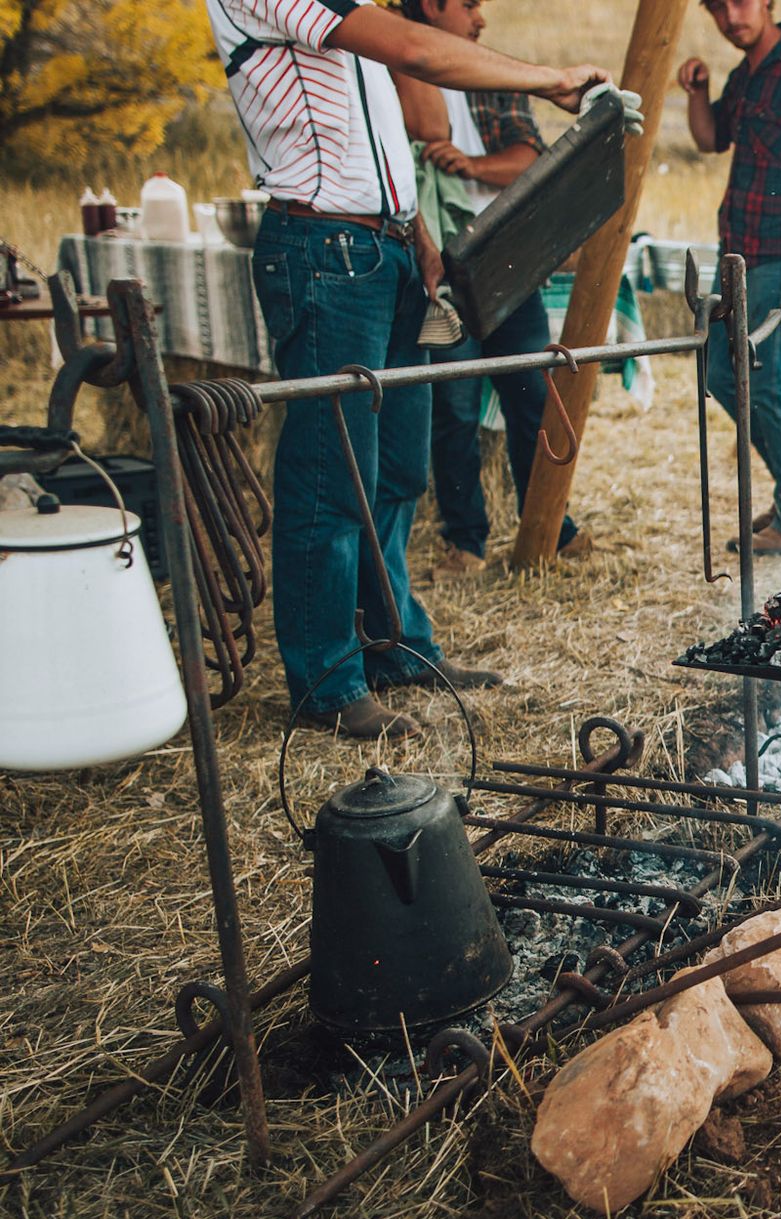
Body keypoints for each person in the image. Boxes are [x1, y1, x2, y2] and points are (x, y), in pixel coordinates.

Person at [201, 0, 613, 738]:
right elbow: (415, 50)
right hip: (323, 249)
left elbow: (380, 136)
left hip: (383, 247)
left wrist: (416, 234)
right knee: (331, 475)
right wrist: (551, 79)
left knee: (395, 471)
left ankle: (393, 646)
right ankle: (327, 683)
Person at [390, 0, 590, 580]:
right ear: (431, 5)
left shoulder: (491, 75)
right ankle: (466, 543)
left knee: (530, 392)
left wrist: (472, 166)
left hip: (506, 255)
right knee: (452, 406)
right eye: (469, 4)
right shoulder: (393, 62)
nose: (480, 19)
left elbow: (530, 155)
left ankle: (550, 526)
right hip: (440, 262)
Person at [677, 0, 781, 555]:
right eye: (717, 7)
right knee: (723, 377)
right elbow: (710, 139)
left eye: (741, 1)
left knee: (769, 386)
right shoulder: (747, 75)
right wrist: (698, 93)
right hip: (741, 259)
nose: (730, 16)